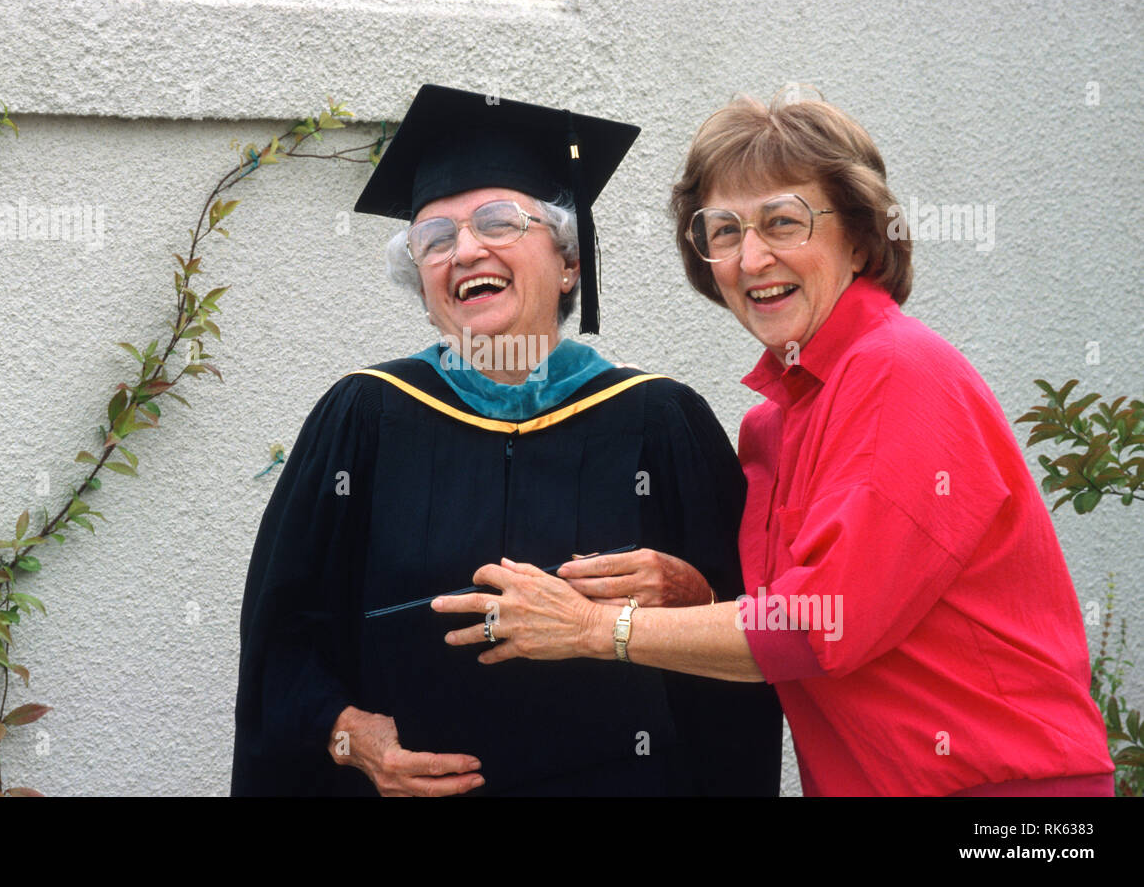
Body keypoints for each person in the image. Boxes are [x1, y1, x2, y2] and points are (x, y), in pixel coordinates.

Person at [434, 92, 1116, 796]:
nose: (751, 257)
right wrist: (689, 594)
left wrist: (594, 627)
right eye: (723, 231)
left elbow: (819, 626)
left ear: (858, 237)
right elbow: (781, 619)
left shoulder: (899, 372)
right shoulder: (775, 422)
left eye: (783, 222)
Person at [230, 84, 782, 796]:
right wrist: (345, 732)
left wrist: (697, 591)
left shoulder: (660, 423)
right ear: (422, 282)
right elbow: (283, 640)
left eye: (498, 221)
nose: (465, 249)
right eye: (434, 237)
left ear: (569, 262)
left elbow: (756, 638)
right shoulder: (364, 418)